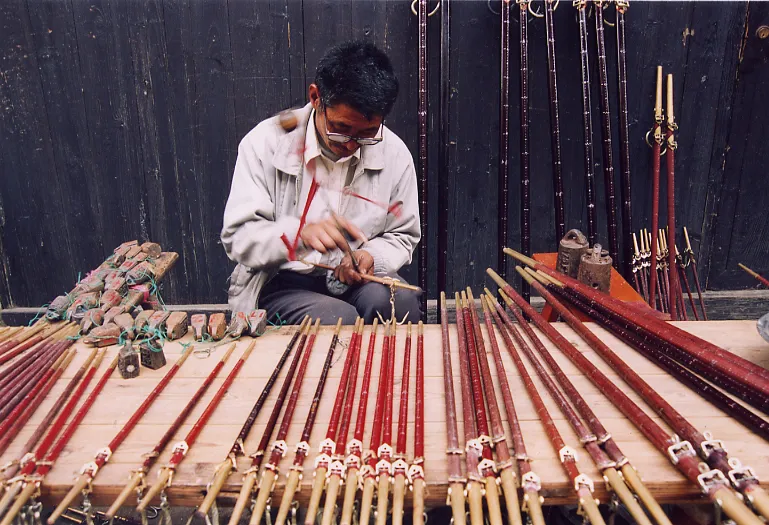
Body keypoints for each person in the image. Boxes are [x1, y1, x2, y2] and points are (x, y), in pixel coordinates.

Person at [221, 41, 421, 325]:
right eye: (341, 128)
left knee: (398, 303)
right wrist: (298, 235)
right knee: (336, 321)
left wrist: (370, 257)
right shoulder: (265, 143)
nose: (352, 144)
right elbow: (239, 238)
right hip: (281, 281)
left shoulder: (395, 153)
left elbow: (402, 235)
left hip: (354, 280)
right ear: (316, 98)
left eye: (367, 133)